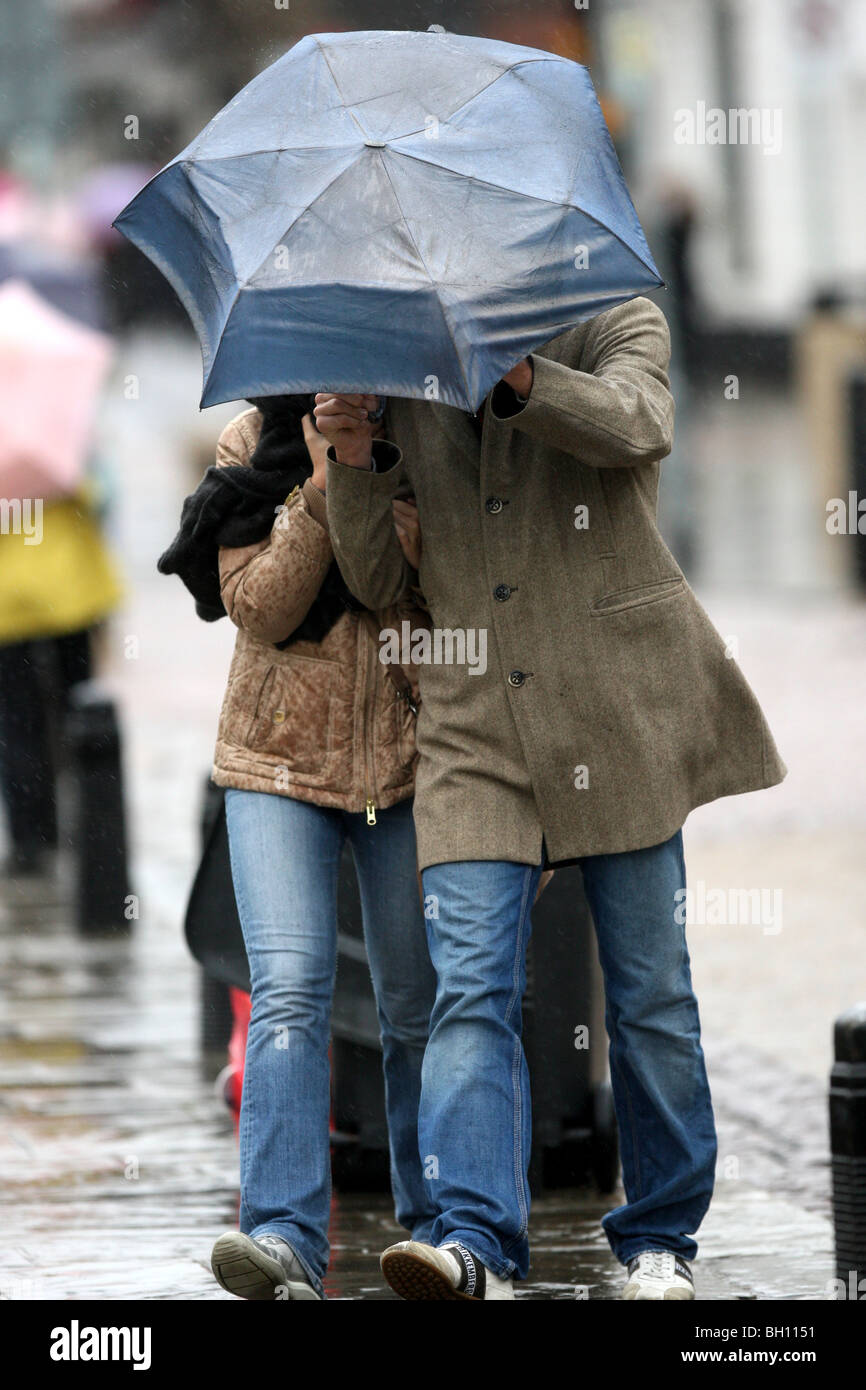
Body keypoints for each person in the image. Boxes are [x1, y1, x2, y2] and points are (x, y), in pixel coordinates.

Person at [315, 294, 787, 1301]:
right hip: (473, 723)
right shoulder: (404, 355)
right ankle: (474, 1239)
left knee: (650, 994)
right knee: (468, 989)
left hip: (616, 706)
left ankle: (659, 1237)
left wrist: (521, 376)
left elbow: (639, 424)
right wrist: (353, 454)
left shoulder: (619, 317)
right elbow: (373, 580)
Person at [158, 394, 436, 1301]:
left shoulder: (433, 432)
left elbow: (456, 600)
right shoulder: (254, 440)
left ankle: (437, 1234)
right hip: (274, 760)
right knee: (286, 990)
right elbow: (258, 609)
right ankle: (282, 1236)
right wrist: (318, 491)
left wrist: (396, 513)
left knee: (415, 1004)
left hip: (406, 763)